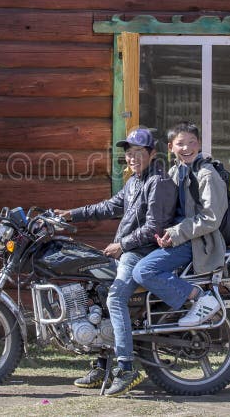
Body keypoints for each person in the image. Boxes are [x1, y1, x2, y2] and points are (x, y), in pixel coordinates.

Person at [55, 127, 176, 397]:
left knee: (114, 298)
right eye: (129, 153)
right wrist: (70, 215)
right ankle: (102, 365)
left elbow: (154, 228)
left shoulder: (159, 181)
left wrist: (122, 245)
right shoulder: (135, 181)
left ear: (152, 153)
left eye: (138, 153)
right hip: (129, 250)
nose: (132, 158)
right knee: (97, 290)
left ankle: (126, 368)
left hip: (142, 252)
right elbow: (109, 206)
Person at [132, 121, 227, 328]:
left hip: (197, 242)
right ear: (170, 147)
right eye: (180, 143)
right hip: (177, 239)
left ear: (200, 144)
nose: (187, 148)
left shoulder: (207, 175)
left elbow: (211, 217)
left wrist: (175, 233)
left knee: (143, 271)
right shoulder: (176, 171)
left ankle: (199, 297)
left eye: (192, 142)